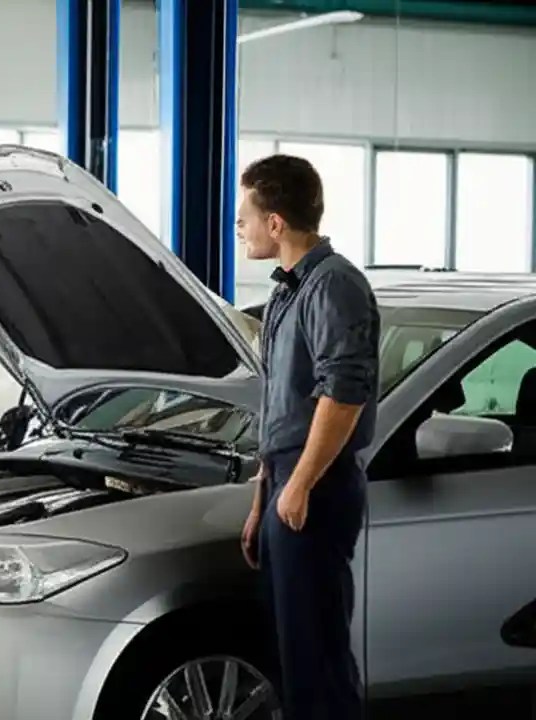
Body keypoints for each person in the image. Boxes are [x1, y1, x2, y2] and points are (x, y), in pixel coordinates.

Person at [237, 154, 379, 720]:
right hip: (287, 478)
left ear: (275, 222)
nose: (238, 228)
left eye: (244, 216)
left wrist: (298, 486)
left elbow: (343, 394)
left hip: (317, 483)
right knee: (291, 653)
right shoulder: (287, 292)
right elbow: (281, 411)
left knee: (316, 654)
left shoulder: (334, 284)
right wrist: (262, 498)